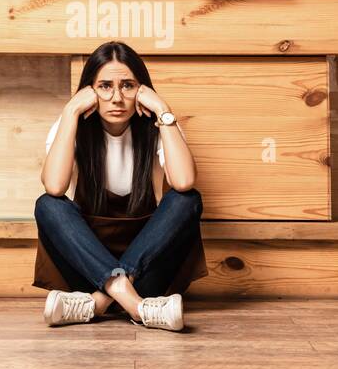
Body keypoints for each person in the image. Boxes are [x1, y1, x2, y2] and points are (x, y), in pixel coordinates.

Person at [33, 40, 207, 331]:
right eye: (104, 86)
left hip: (148, 268)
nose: (116, 97)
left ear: (142, 90)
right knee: (47, 205)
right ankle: (138, 307)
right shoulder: (71, 124)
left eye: (127, 85)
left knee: (187, 199)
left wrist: (164, 110)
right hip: (86, 266)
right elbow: (54, 186)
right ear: (90, 90)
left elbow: (184, 181)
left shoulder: (161, 124)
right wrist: (71, 112)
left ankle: (98, 303)